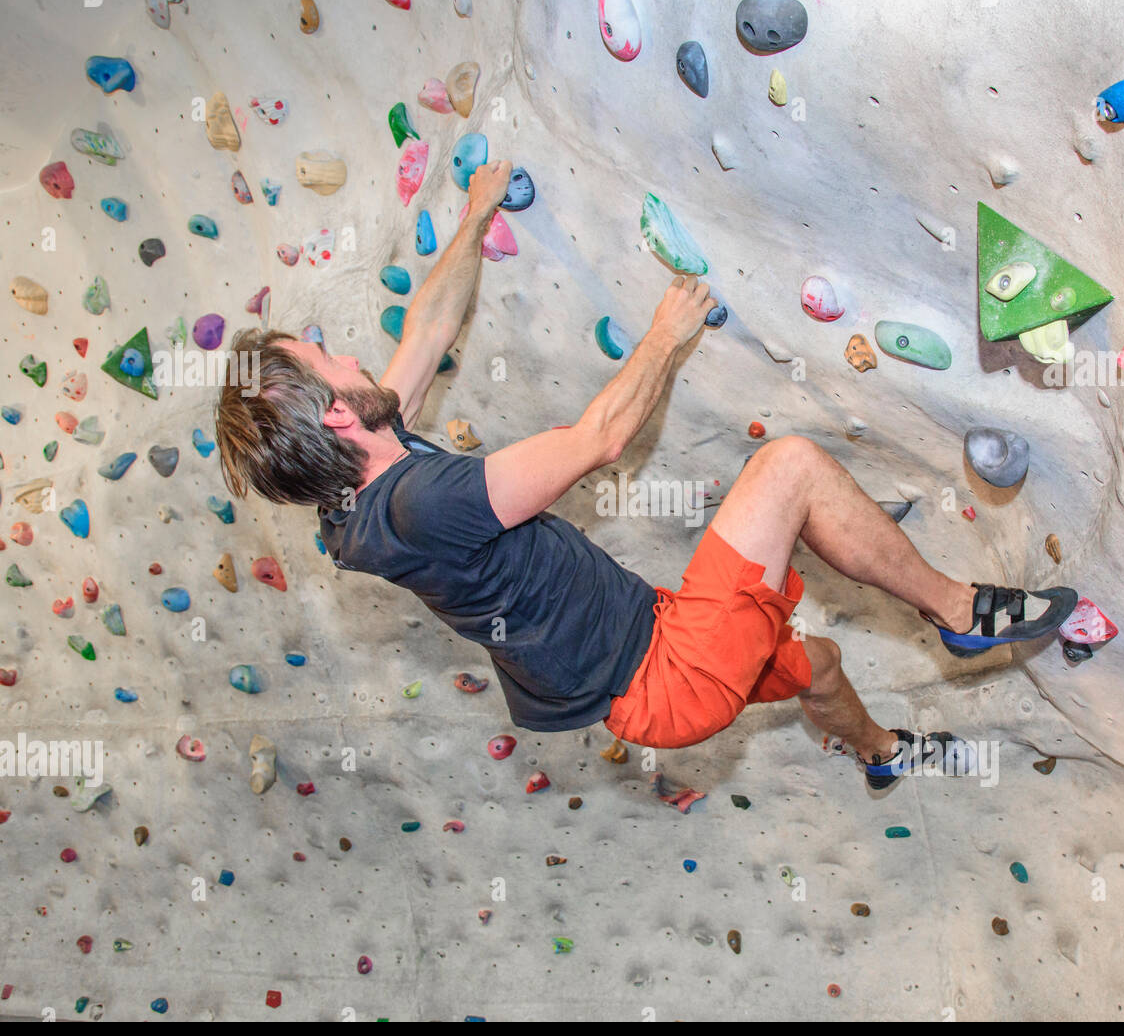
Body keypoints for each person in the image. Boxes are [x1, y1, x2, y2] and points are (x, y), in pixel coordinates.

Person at [215, 160, 1077, 792]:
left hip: (648, 665)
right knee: (788, 468)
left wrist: (476, 216)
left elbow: (428, 331)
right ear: (334, 412)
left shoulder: (350, 493)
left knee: (815, 662)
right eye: (329, 357)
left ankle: (884, 756)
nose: (352, 354)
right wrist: (667, 330)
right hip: (668, 671)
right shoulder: (421, 503)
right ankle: (960, 612)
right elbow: (597, 438)